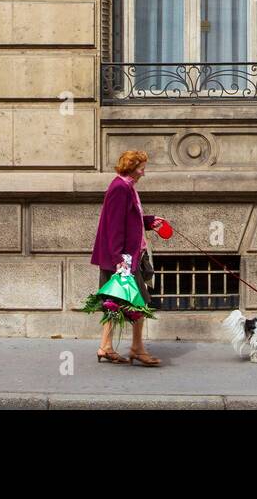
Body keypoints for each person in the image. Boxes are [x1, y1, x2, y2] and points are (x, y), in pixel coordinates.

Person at [91, 149, 165, 366]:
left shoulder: (126, 187)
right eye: (142, 167)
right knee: (138, 302)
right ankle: (137, 348)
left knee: (116, 301)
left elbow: (129, 218)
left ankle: (106, 346)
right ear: (132, 168)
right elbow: (114, 226)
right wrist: (119, 259)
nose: (144, 172)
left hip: (127, 255)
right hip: (123, 258)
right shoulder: (120, 188)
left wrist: (149, 221)